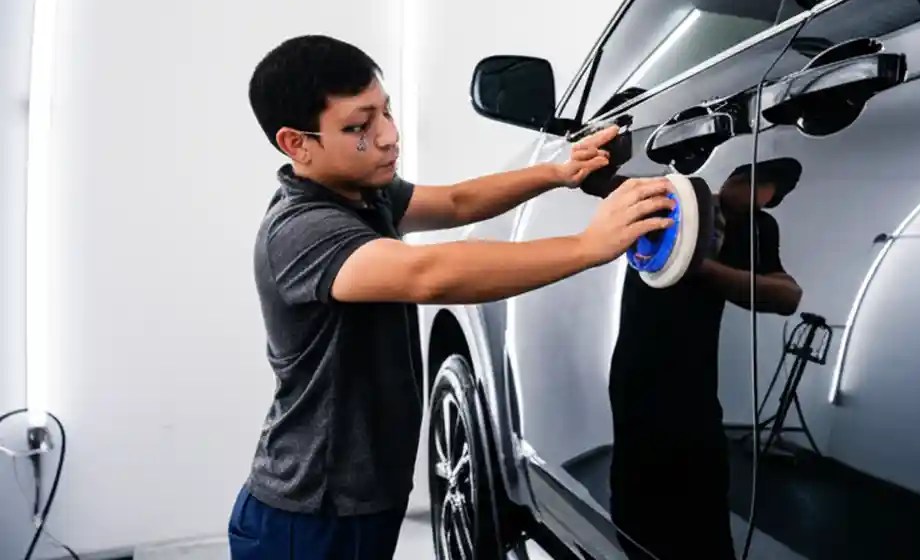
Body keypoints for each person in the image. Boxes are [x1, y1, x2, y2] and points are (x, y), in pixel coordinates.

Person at [228, 35, 673, 559]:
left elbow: (459, 201)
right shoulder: (302, 229)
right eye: (359, 127)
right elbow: (428, 273)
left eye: (385, 111)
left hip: (358, 502)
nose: (390, 136)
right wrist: (587, 245)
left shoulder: (365, 195)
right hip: (307, 516)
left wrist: (557, 172)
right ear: (296, 143)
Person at [608, 159, 803, 560]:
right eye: (744, 177)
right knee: (634, 493)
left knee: (703, 497)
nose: (748, 188)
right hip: (636, 372)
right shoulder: (677, 202)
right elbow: (609, 187)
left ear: (773, 198)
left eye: (763, 186)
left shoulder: (759, 228)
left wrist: (697, 266)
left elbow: (788, 296)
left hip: (693, 383)